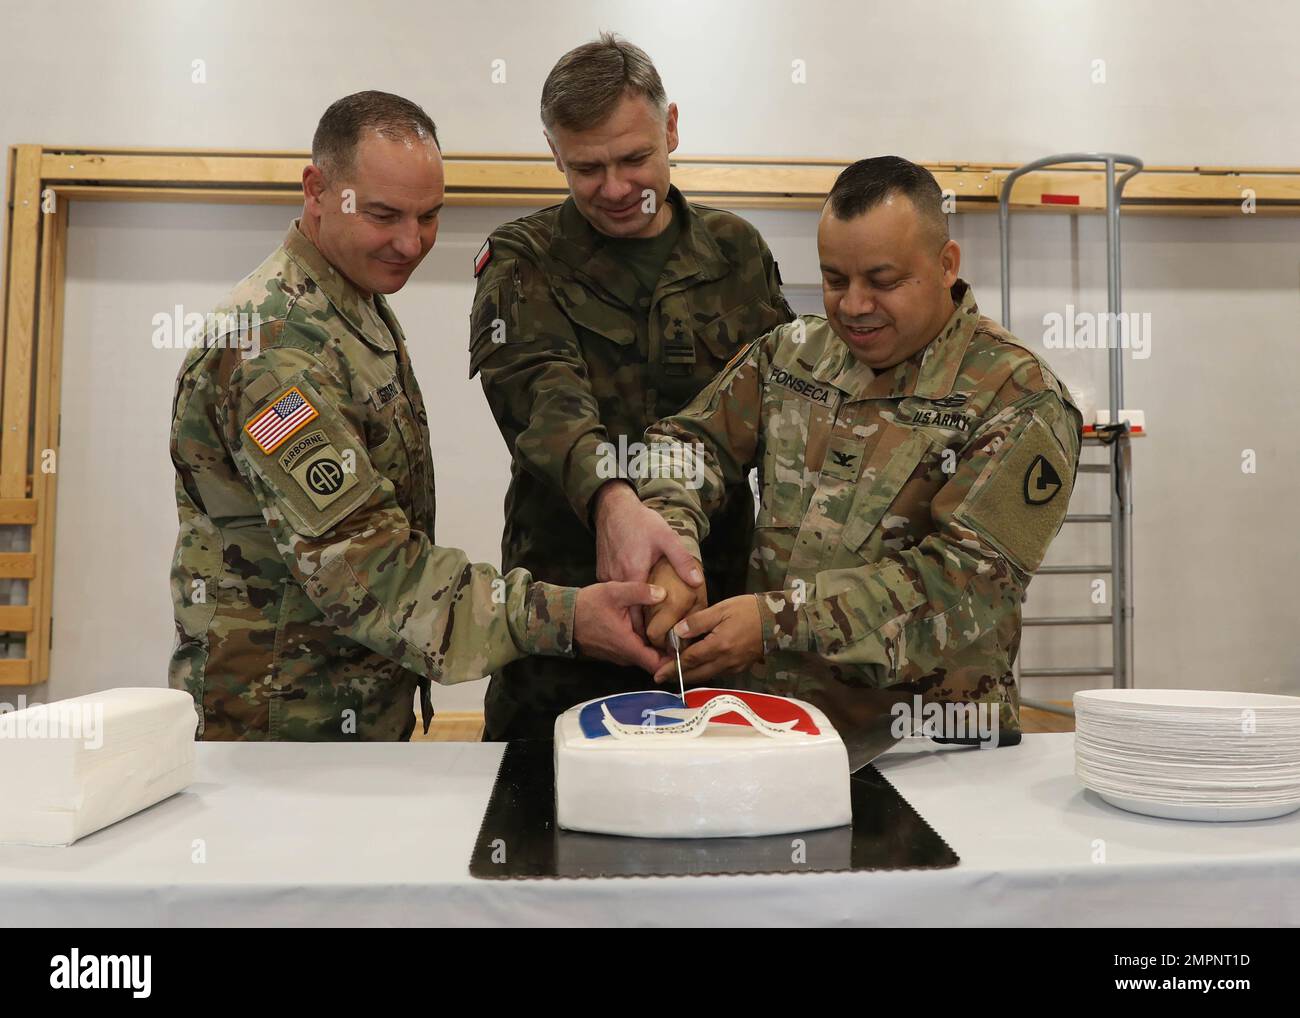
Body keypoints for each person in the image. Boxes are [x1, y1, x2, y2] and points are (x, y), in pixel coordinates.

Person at [169, 90, 668, 742]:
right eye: (384, 215)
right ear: (317, 190)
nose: (410, 243)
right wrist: (564, 617)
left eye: (429, 216)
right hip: (277, 734)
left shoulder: (348, 301)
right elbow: (374, 575)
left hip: (346, 717)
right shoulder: (276, 346)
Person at [635, 156, 1083, 738]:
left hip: (924, 744)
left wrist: (777, 622)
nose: (854, 305)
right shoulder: (792, 355)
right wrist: (675, 547)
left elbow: (968, 586)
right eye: (834, 279)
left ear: (946, 265)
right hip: (775, 726)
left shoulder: (1017, 399)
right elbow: (686, 443)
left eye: (883, 280)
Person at [470, 34, 795, 740]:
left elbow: (788, 408)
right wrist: (613, 503)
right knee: (539, 832)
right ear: (554, 153)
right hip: (568, 631)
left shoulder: (737, 253)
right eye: (586, 167)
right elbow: (544, 402)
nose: (615, 188)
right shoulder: (524, 261)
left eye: (634, 159)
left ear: (671, 127)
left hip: (710, 627)